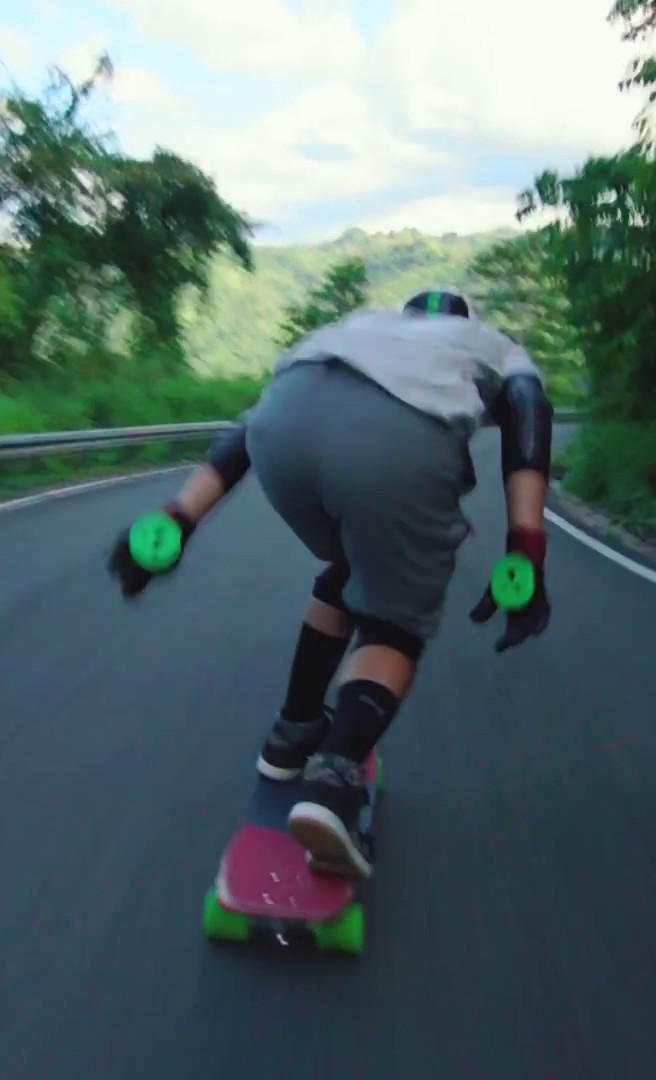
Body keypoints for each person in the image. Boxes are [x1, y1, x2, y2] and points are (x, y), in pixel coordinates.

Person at [107, 287, 555, 879]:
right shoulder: (489, 343)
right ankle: (333, 778)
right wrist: (525, 547)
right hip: (392, 447)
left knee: (351, 566)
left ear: (409, 316)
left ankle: (294, 729)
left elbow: (249, 427)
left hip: (282, 427)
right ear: (464, 320)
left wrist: (178, 520)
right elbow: (528, 407)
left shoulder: (362, 329)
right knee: (394, 622)